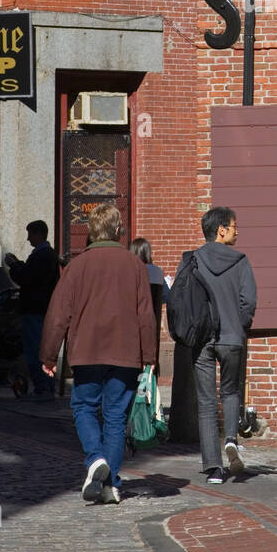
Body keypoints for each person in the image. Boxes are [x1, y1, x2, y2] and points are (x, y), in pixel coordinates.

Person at [39, 203, 156, 504]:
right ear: (118, 230)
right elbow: (146, 314)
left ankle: (95, 459)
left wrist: (49, 355)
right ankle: (111, 484)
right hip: (125, 353)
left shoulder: (77, 266)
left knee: (84, 408)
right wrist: (150, 356)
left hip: (86, 351)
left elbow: (57, 314)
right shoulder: (134, 266)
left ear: (91, 231)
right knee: (116, 417)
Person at [176, 206, 256, 484]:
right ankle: (231, 439)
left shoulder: (192, 260)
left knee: (207, 402)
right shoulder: (242, 261)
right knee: (231, 392)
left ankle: (213, 468)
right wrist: (238, 325)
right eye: (234, 226)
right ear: (221, 229)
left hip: (202, 339)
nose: (237, 231)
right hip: (233, 338)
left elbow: (181, 300)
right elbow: (249, 302)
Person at [3, 221, 60, 397]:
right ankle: (47, 385)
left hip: (35, 309)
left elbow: (28, 279)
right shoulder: (46, 255)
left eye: (30, 234)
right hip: (42, 309)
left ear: (39, 235)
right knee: (42, 349)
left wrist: (14, 265)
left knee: (35, 349)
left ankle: (43, 386)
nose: (27, 239)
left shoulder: (43, 255)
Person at [130, 236, 165, 366]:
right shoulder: (158, 271)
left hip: (133, 324)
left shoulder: (130, 271)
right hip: (153, 324)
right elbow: (165, 297)